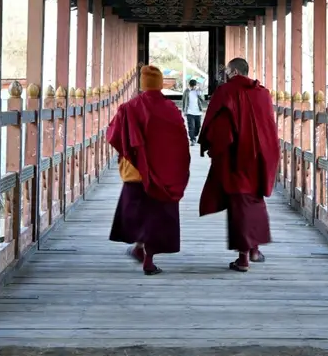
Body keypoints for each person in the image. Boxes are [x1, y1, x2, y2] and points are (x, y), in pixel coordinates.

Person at [107, 65, 192, 275]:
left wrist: (132, 152)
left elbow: (113, 135)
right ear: (161, 83)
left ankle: (139, 248)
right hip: (163, 173)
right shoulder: (171, 109)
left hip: (135, 172)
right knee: (156, 215)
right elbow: (181, 141)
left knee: (138, 212)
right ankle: (147, 258)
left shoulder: (128, 107)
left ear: (142, 84)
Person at [197, 57, 279, 272]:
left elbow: (220, 128)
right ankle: (254, 248)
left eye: (227, 71)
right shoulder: (263, 93)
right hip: (261, 155)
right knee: (254, 199)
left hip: (236, 157)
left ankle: (243, 257)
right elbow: (269, 126)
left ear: (233, 72)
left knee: (240, 204)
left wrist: (212, 148)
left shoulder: (226, 92)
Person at [180, 78, 204, 144]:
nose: (193, 87)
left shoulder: (198, 91)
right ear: (190, 85)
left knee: (198, 126)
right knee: (191, 127)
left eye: (194, 86)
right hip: (189, 112)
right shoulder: (186, 91)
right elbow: (184, 101)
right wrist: (184, 111)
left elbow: (203, 100)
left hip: (198, 112)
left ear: (196, 85)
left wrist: (199, 93)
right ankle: (192, 139)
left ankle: (194, 135)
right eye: (192, 86)